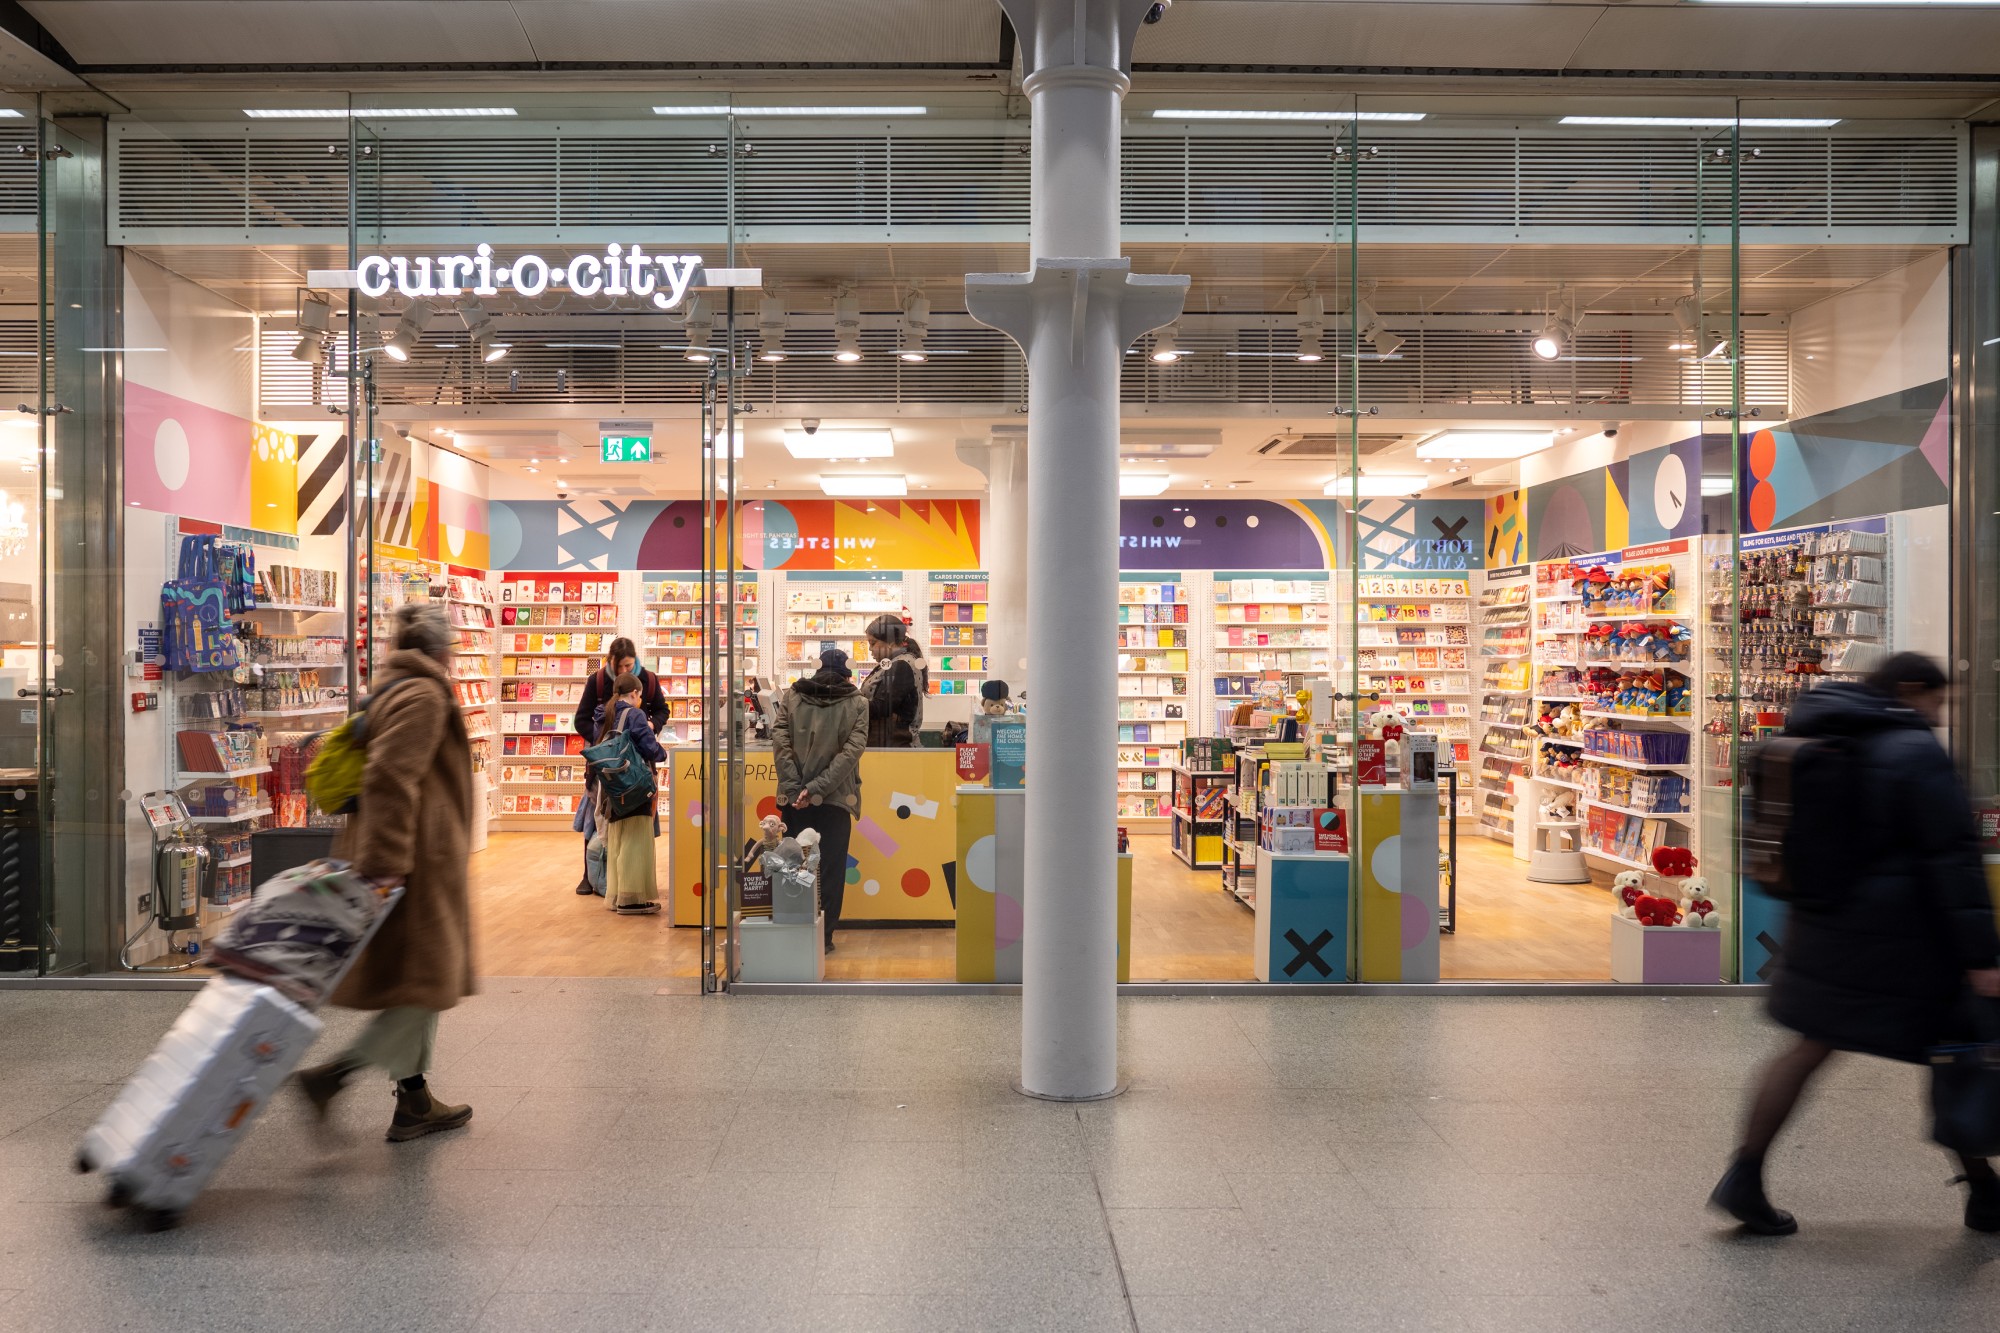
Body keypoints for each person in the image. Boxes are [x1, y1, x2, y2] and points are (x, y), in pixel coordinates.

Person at [1711, 652, 2000, 1235]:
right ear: (1912, 689)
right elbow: (1952, 861)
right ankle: (1986, 1192)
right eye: (1938, 699)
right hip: (1905, 940)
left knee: (1809, 1047)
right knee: (1953, 1050)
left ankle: (1745, 1174)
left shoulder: (1823, 735)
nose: (1941, 712)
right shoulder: (1914, 750)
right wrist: (1980, 957)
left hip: (1824, 926)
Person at [296, 603, 477, 1142]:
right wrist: (387, 866)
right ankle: (334, 1076)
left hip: (410, 856)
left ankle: (414, 1101)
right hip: (414, 862)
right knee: (425, 987)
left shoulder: (394, 686)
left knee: (413, 981)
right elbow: (390, 778)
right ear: (439, 650)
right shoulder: (424, 695)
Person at [772, 649, 869, 951]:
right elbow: (850, 754)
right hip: (836, 799)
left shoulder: (792, 696)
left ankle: (794, 933)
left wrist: (795, 789)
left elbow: (780, 742)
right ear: (847, 675)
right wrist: (817, 789)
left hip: (795, 800)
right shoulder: (858, 703)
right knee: (830, 870)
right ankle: (823, 938)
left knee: (794, 866)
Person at [570, 637, 669, 895]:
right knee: (597, 817)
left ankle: (623, 880)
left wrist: (652, 725)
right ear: (611, 661)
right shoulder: (598, 681)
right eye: (621, 665)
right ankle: (592, 875)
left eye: (629, 664)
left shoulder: (648, 680)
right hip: (604, 765)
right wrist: (605, 742)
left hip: (637, 767)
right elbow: (581, 719)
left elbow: (662, 710)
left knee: (633, 820)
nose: (625, 670)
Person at [593, 672, 669, 915]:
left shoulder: (603, 714)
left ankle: (617, 895)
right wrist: (663, 753)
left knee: (619, 837)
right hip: (634, 783)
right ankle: (632, 899)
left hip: (612, 785)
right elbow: (650, 747)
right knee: (636, 839)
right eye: (640, 696)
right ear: (635, 693)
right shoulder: (634, 714)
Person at [860, 612, 927, 747]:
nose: (870, 649)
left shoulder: (901, 666)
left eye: (873, 643)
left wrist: (850, 700)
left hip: (896, 749)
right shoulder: (896, 663)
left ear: (890, 642)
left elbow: (882, 707)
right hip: (890, 746)